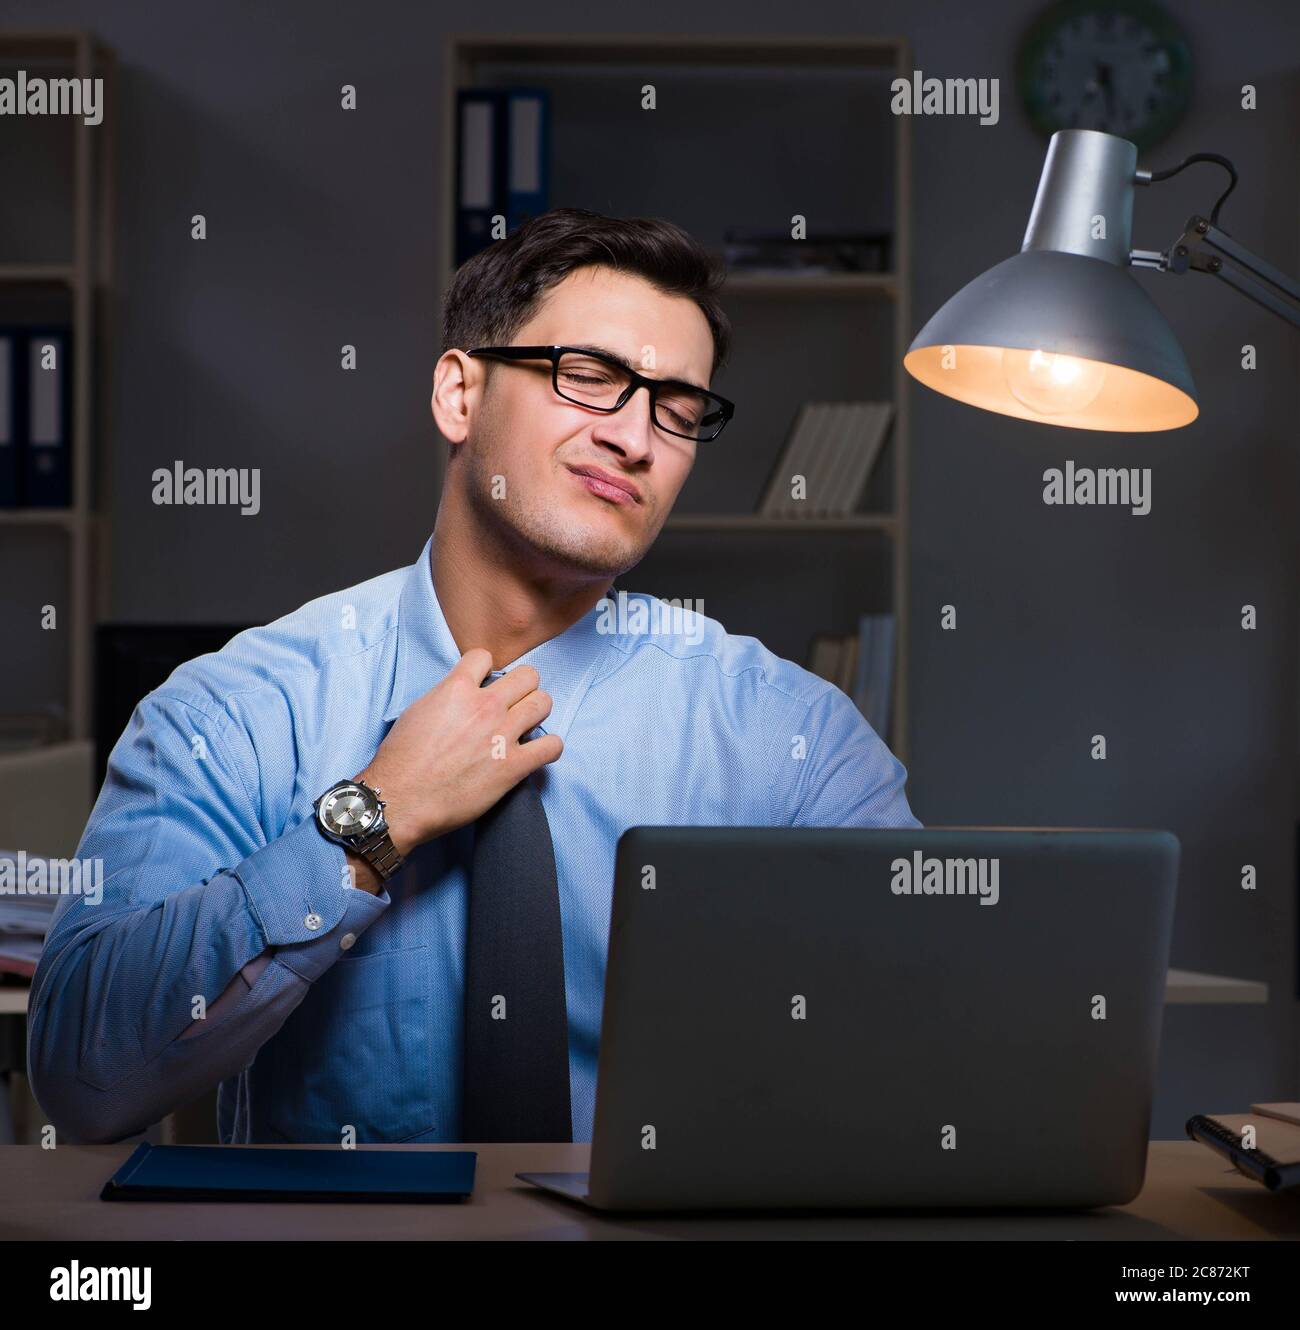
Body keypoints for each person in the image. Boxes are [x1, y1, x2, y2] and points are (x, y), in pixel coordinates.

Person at [27, 207, 921, 1146]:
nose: (638, 439)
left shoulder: (792, 742)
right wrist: (374, 819)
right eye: (590, 378)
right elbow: (85, 1078)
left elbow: (929, 1048)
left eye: (680, 410)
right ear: (460, 394)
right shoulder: (240, 710)